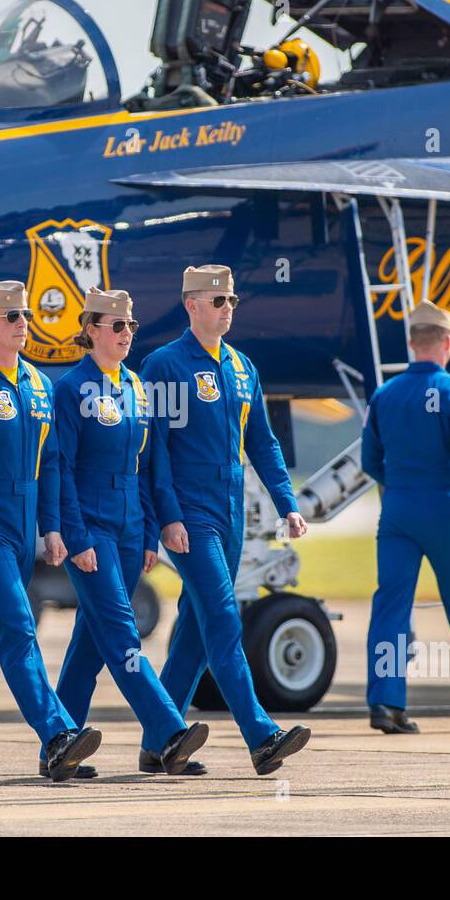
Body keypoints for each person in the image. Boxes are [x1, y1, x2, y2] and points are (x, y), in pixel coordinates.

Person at [141, 264, 312, 775]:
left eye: (232, 301)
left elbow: (262, 440)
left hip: (230, 507)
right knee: (222, 617)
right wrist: (168, 518)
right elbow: (157, 454)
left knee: (196, 629)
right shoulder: (164, 366)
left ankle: (158, 742)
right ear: (191, 305)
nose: (228, 309)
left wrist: (288, 503)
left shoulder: (242, 367)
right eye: (218, 302)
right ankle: (260, 735)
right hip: (191, 512)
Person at [0, 279, 101, 782]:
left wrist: (53, 530)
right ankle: (57, 735)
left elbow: (50, 462)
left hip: (21, 528)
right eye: (11, 317)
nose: (22, 325)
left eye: (25, 316)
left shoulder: (36, 384)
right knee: (17, 625)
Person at [51, 289, 210, 777]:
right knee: (122, 634)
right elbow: (60, 469)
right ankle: (168, 730)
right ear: (91, 329)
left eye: (131, 327)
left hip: (127, 528)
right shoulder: (71, 389)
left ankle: (58, 745)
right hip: (91, 527)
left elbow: (146, 468)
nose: (126, 335)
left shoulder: (136, 388)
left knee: (90, 643)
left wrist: (147, 536)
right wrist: (75, 539)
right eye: (116, 326)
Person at [359, 299, 450, 733]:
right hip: (445, 511)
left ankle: (386, 705)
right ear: (447, 343)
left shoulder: (384, 395)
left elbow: (370, 460)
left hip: (398, 513)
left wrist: (401, 485)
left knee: (390, 605)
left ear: (411, 343)